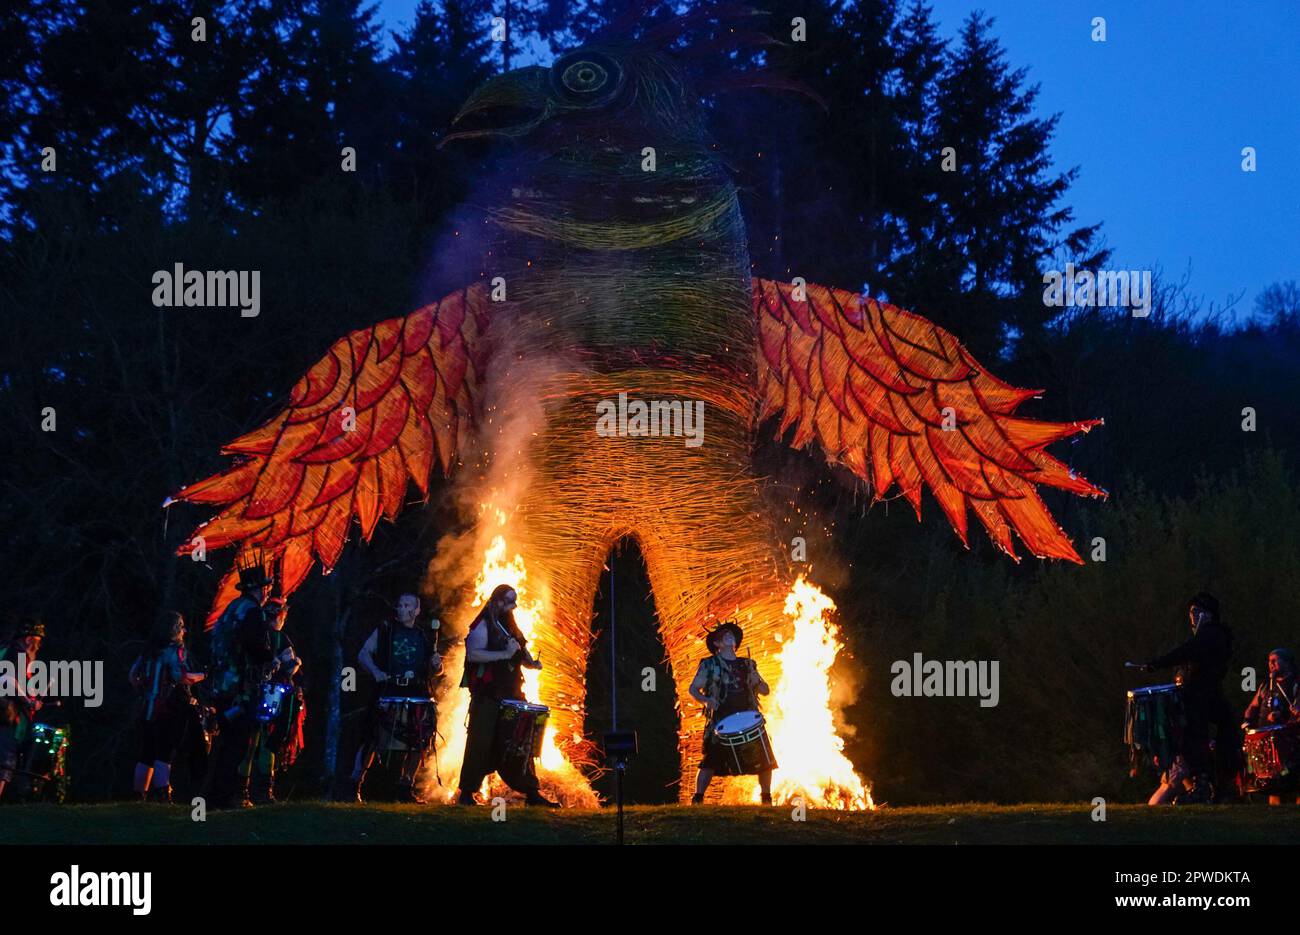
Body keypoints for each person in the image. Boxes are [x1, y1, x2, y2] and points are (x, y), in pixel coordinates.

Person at [455, 585, 557, 807]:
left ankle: (532, 792)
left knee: (520, 742)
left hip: (512, 694)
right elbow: (473, 654)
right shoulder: (483, 624)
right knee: (480, 743)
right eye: (510, 601)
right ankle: (466, 793)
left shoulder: (509, 623)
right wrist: (504, 654)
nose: (514, 605)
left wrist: (531, 663)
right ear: (498, 601)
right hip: (489, 695)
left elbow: (519, 649)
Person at [1142, 592, 1237, 803]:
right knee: (1194, 739)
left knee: (1196, 739)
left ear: (1208, 614)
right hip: (1202, 695)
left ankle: (1205, 788)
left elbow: (1185, 651)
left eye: (1196, 611)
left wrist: (1156, 663)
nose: (1192, 616)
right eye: (1190, 613)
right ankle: (1207, 787)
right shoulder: (1208, 635)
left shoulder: (1211, 634)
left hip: (1203, 696)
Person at [348, 592, 442, 804]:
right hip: (388, 689)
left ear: (417, 610)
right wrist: (376, 672)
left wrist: (437, 666)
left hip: (416, 693)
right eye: (400, 605)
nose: (402, 608)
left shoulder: (423, 636)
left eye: (408, 605)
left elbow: (433, 670)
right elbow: (363, 654)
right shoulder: (385, 630)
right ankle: (354, 785)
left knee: (419, 740)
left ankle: (405, 787)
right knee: (372, 737)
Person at [206, 558, 277, 808]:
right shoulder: (252, 612)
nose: (268, 592)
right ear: (262, 589)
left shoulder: (231, 609)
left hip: (220, 685)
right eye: (267, 588)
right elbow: (253, 644)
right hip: (239, 688)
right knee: (237, 743)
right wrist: (271, 658)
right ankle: (222, 797)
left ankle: (216, 794)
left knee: (227, 741)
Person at [688, 620, 776, 805]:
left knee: (764, 759)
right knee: (710, 761)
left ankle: (766, 798)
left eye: (731, 634)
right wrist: (706, 700)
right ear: (717, 644)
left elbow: (766, 691)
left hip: (747, 718)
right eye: (724, 635)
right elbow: (693, 689)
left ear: (735, 642)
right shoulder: (709, 664)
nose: (729, 635)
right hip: (721, 719)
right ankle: (698, 799)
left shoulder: (748, 664)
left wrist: (757, 682)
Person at [129, 612, 206, 803]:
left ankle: (139, 796)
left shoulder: (148, 650)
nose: (184, 630)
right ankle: (163, 795)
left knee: (146, 752)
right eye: (180, 626)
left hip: (146, 707)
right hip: (167, 708)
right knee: (165, 751)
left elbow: (132, 675)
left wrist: (144, 690)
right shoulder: (175, 650)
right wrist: (202, 675)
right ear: (172, 629)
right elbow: (180, 675)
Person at [237, 589, 303, 804]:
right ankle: (265, 792)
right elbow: (289, 668)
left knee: (249, 742)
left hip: (250, 691)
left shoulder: (252, 634)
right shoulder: (280, 638)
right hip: (273, 695)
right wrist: (297, 663)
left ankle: (241, 792)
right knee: (268, 741)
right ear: (281, 616)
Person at [1242, 647, 1300, 805]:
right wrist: (1248, 721)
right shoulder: (1265, 686)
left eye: (1275, 660)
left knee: (1293, 780)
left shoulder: (1296, 684)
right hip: (1264, 743)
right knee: (1271, 784)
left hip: (1287, 742)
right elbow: (1252, 707)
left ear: (1287, 663)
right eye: (1269, 661)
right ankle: (1274, 813)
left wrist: (1286, 716)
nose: (1271, 664)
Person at [0, 616, 45, 803]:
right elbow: (6, 681)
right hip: (4, 717)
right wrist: (28, 701)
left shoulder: (5, 651)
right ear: (29, 639)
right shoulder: (19, 655)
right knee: (4, 764)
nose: (39, 646)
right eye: (38, 641)